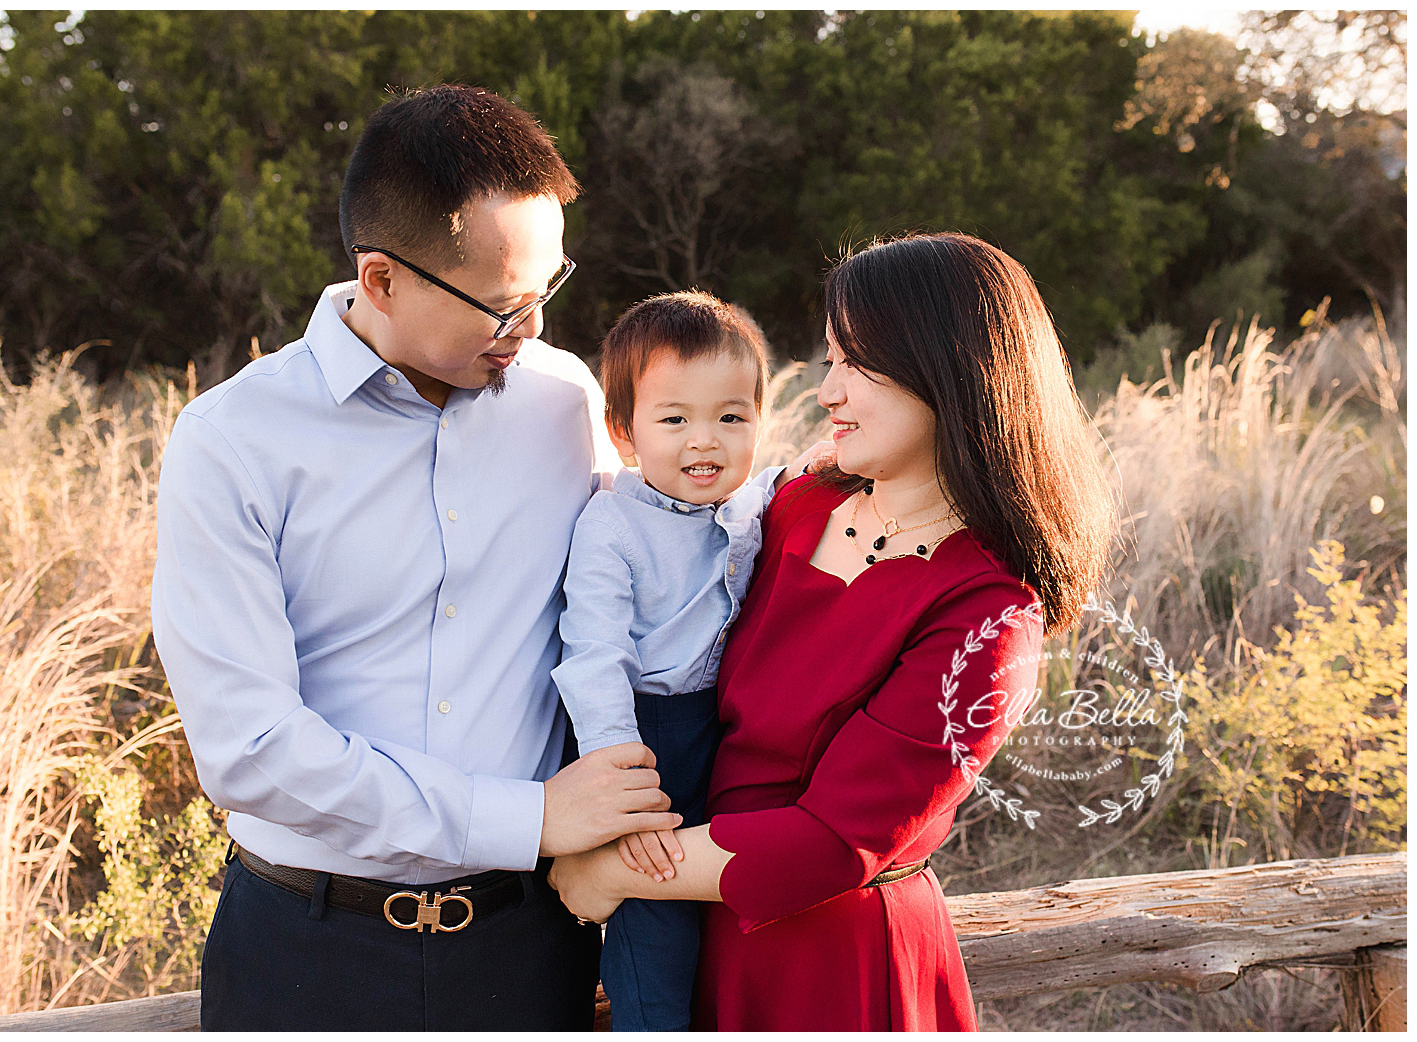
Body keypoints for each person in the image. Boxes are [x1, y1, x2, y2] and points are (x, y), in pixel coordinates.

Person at [151, 84, 684, 1032]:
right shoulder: (231, 439)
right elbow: (250, 749)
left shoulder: (563, 403)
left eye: (549, 289)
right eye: (505, 306)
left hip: (529, 946)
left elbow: (637, 577)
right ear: (383, 279)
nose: (535, 331)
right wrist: (526, 819)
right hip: (306, 953)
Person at [548, 232, 1118, 1030]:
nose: (828, 393)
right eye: (830, 363)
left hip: (831, 962)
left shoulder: (987, 615)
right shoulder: (795, 509)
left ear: (948, 370)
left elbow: (832, 842)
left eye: (858, 363)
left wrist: (614, 872)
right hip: (696, 925)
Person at [552, 291, 816, 1031]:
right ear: (623, 431)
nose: (705, 442)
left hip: (723, 725)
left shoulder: (749, 499)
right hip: (643, 735)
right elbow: (593, 656)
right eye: (674, 420)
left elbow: (781, 483)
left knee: (719, 898)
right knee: (654, 906)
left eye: (731, 418)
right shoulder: (611, 523)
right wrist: (619, 782)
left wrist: (817, 465)